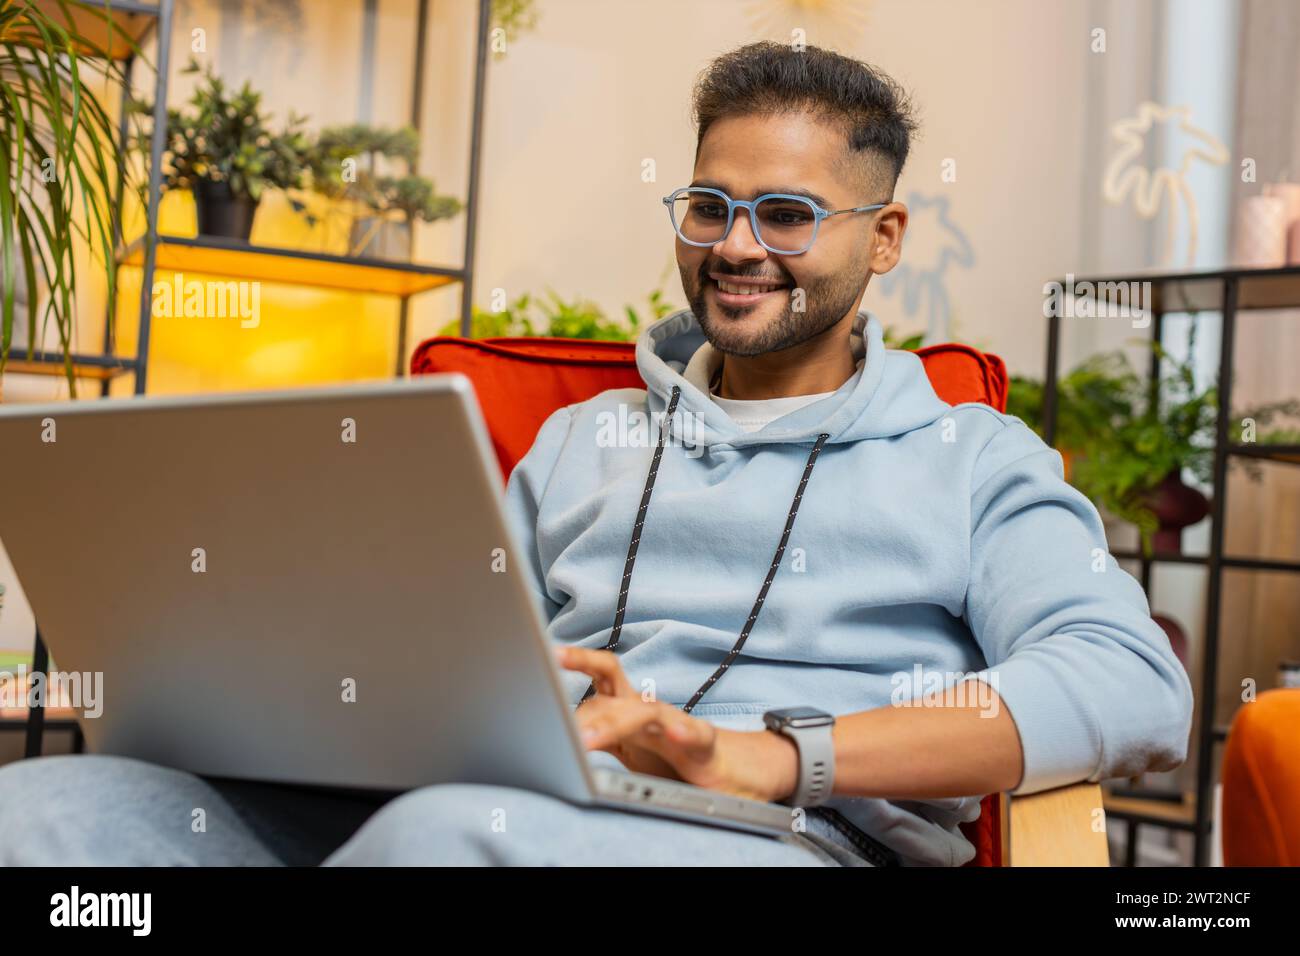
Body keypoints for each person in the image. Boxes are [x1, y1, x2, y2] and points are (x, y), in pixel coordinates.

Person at [0, 41, 1192, 867]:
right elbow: (446, 658)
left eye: (785, 214)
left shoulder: (971, 453)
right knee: (46, 813)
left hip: (785, 840)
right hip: (502, 805)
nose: (735, 246)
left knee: (448, 843)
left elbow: (1132, 685)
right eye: (707, 205)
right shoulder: (578, 441)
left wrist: (769, 756)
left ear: (882, 239)